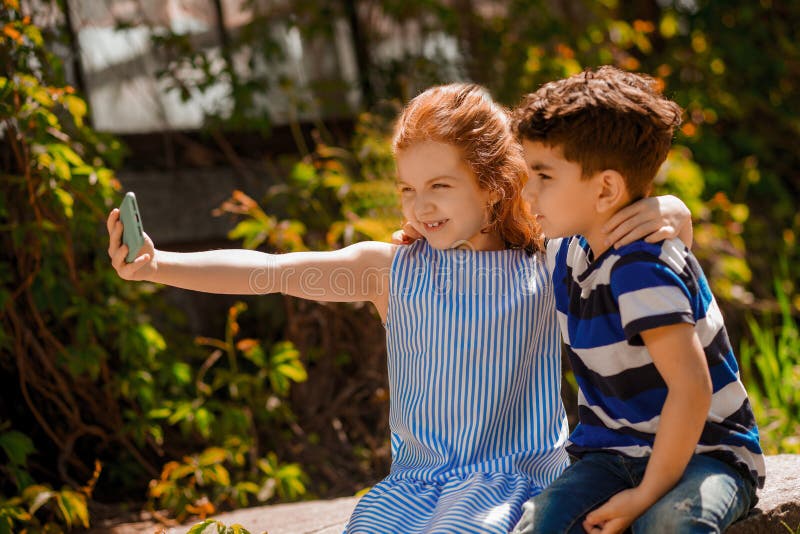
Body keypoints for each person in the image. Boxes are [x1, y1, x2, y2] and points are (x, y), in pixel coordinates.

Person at [107, 83, 688, 532]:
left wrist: (671, 204)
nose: (420, 207)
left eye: (439, 186)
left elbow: (655, 219)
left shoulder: (547, 257)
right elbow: (269, 272)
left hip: (514, 481)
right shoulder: (390, 270)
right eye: (407, 189)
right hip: (410, 488)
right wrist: (160, 265)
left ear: (491, 183)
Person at [509, 66, 765, 534]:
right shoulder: (567, 252)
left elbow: (691, 391)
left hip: (707, 454)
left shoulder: (642, 269)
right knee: (539, 523)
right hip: (612, 454)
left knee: (667, 523)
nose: (528, 192)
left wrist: (643, 496)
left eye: (543, 176)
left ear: (606, 188)